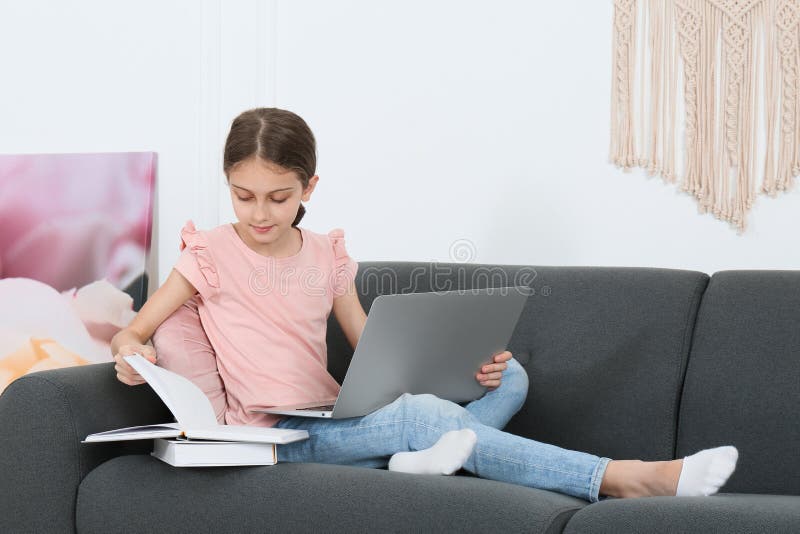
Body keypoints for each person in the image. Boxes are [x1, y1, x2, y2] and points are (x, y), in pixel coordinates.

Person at [111, 107, 739, 502]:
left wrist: (445, 369)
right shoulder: (210, 254)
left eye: (278, 198)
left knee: (510, 375)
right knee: (422, 414)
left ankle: (406, 461)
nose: (259, 214)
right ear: (228, 185)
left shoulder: (324, 254)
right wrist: (133, 352)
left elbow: (364, 341)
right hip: (271, 436)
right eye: (243, 196)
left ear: (309, 188)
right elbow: (132, 331)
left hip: (328, 413)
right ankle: (623, 477)